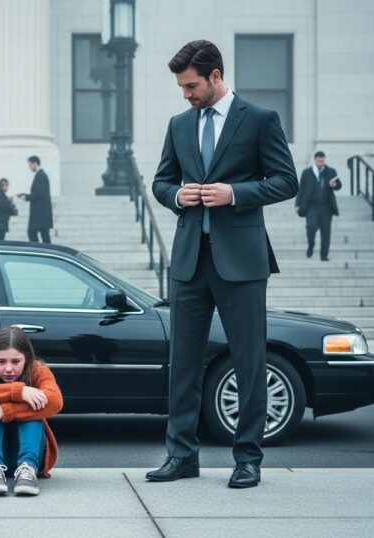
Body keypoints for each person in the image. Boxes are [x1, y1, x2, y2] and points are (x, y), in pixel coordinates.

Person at [149, 40, 298, 489]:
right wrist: (177, 195)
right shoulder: (179, 124)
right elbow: (161, 181)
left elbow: (286, 180)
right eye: (181, 87)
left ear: (215, 76)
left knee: (249, 362)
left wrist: (236, 194)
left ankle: (248, 459)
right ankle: (181, 456)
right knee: (184, 366)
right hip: (190, 262)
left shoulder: (259, 119)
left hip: (243, 263)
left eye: (191, 85)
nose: (185, 94)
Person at [0, 326, 63, 496]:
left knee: (35, 408)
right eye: (1, 362)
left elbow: (56, 401)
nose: (8, 369)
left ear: (27, 358)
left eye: (16, 362)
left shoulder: (38, 370)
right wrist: (19, 392)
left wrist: (5, 410)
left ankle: (27, 471)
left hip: (31, 458)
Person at [295, 151, 342, 261]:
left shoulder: (331, 171)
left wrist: (335, 185)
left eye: (322, 160)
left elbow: (339, 184)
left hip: (326, 206)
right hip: (311, 206)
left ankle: (324, 255)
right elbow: (301, 190)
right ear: (315, 160)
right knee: (311, 228)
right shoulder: (306, 173)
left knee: (326, 232)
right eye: (319, 161)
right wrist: (297, 204)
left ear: (324, 160)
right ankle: (311, 246)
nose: (321, 163)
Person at [18, 156, 53, 243]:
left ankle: (40, 252)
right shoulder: (40, 175)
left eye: (30, 165)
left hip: (40, 214)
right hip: (40, 214)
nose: (29, 167)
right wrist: (26, 195)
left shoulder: (41, 175)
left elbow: (39, 193)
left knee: (33, 233)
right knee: (43, 236)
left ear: (35, 164)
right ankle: (43, 252)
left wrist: (26, 197)